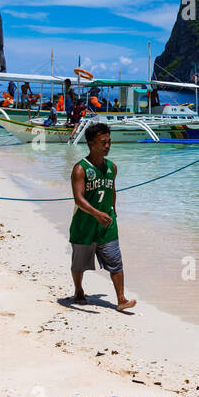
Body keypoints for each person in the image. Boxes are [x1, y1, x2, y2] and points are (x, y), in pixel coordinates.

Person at [69, 122, 136, 312]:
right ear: (91, 144)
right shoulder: (80, 169)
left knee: (116, 262)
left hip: (107, 225)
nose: (107, 146)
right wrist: (96, 213)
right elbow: (78, 199)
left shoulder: (112, 167)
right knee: (79, 265)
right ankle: (79, 290)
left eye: (109, 142)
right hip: (84, 226)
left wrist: (113, 211)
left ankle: (121, 299)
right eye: (103, 142)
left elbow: (112, 191)